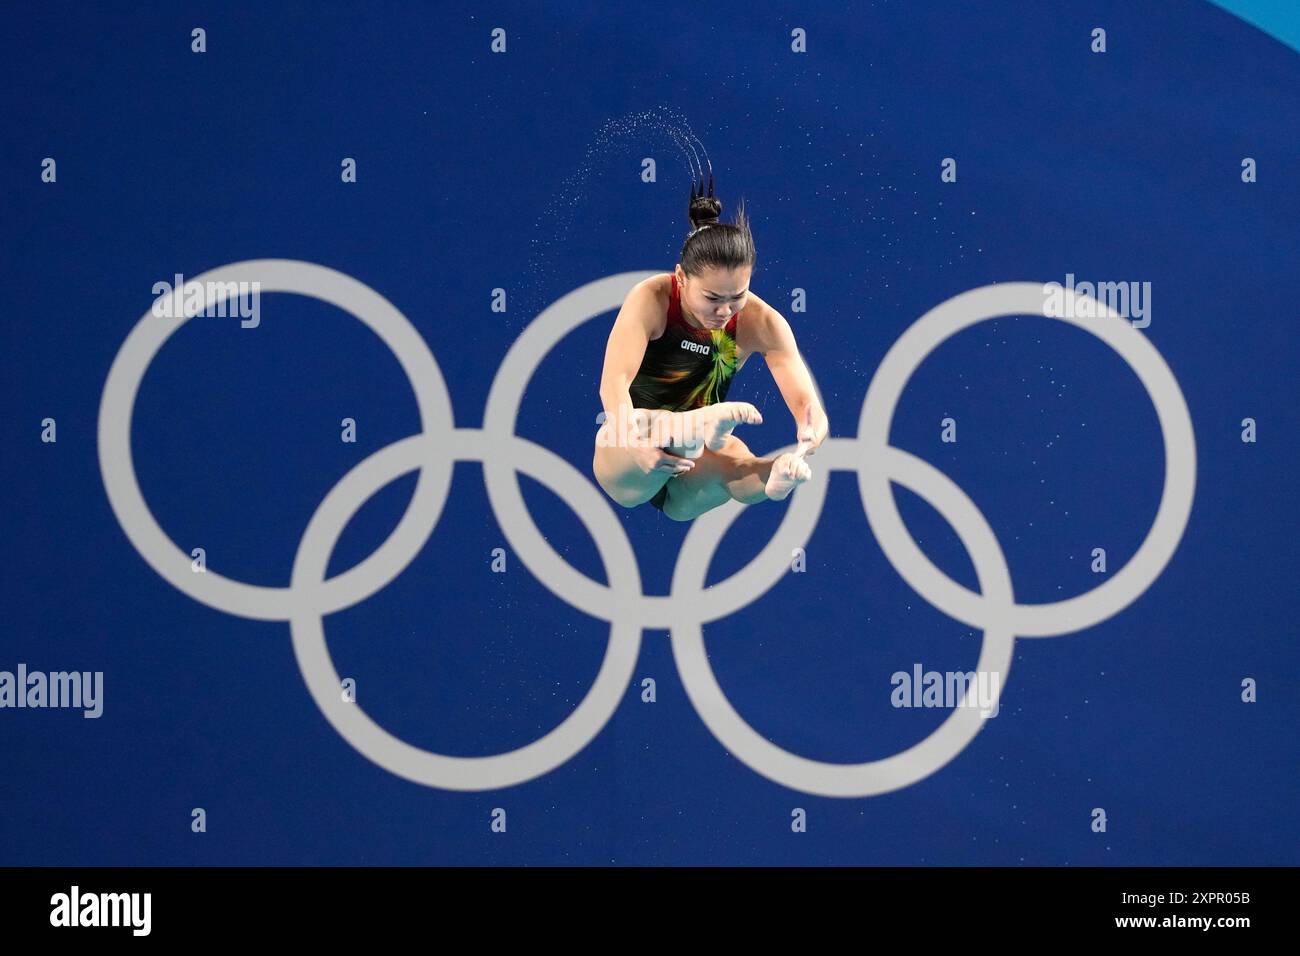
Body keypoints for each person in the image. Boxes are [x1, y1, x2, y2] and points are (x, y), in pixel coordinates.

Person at [592, 173, 829, 521]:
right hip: (628, 446)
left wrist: (810, 436)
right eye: (712, 298)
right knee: (641, 428)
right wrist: (632, 443)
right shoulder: (653, 298)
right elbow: (613, 384)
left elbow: (809, 408)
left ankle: (774, 477)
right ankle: (688, 426)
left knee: (733, 463)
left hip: (694, 460)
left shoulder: (762, 321)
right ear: (681, 277)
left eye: (738, 297)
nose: (725, 311)